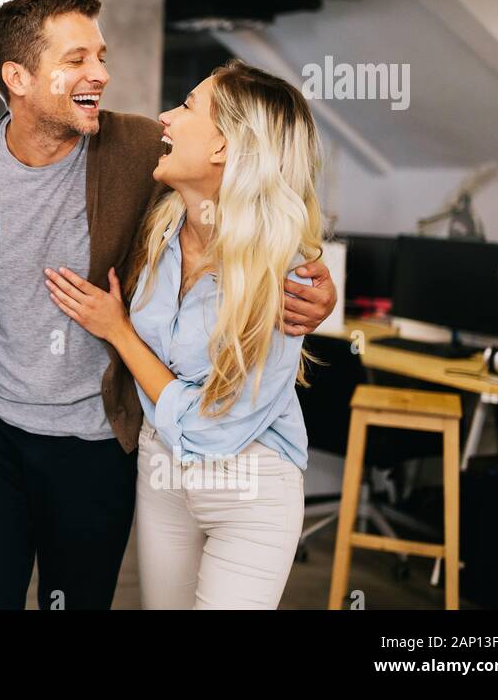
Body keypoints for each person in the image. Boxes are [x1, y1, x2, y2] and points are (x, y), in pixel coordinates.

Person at [0, 0, 337, 609]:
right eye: (76, 60)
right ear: (18, 77)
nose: (100, 74)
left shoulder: (134, 150)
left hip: (99, 440)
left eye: (100, 57)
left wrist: (313, 280)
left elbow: (255, 177)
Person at [45, 60, 319, 609]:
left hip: (249, 486)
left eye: (188, 106)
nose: (165, 117)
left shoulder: (282, 272)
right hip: (161, 469)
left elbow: (210, 429)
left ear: (223, 148)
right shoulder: (160, 228)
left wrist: (119, 333)